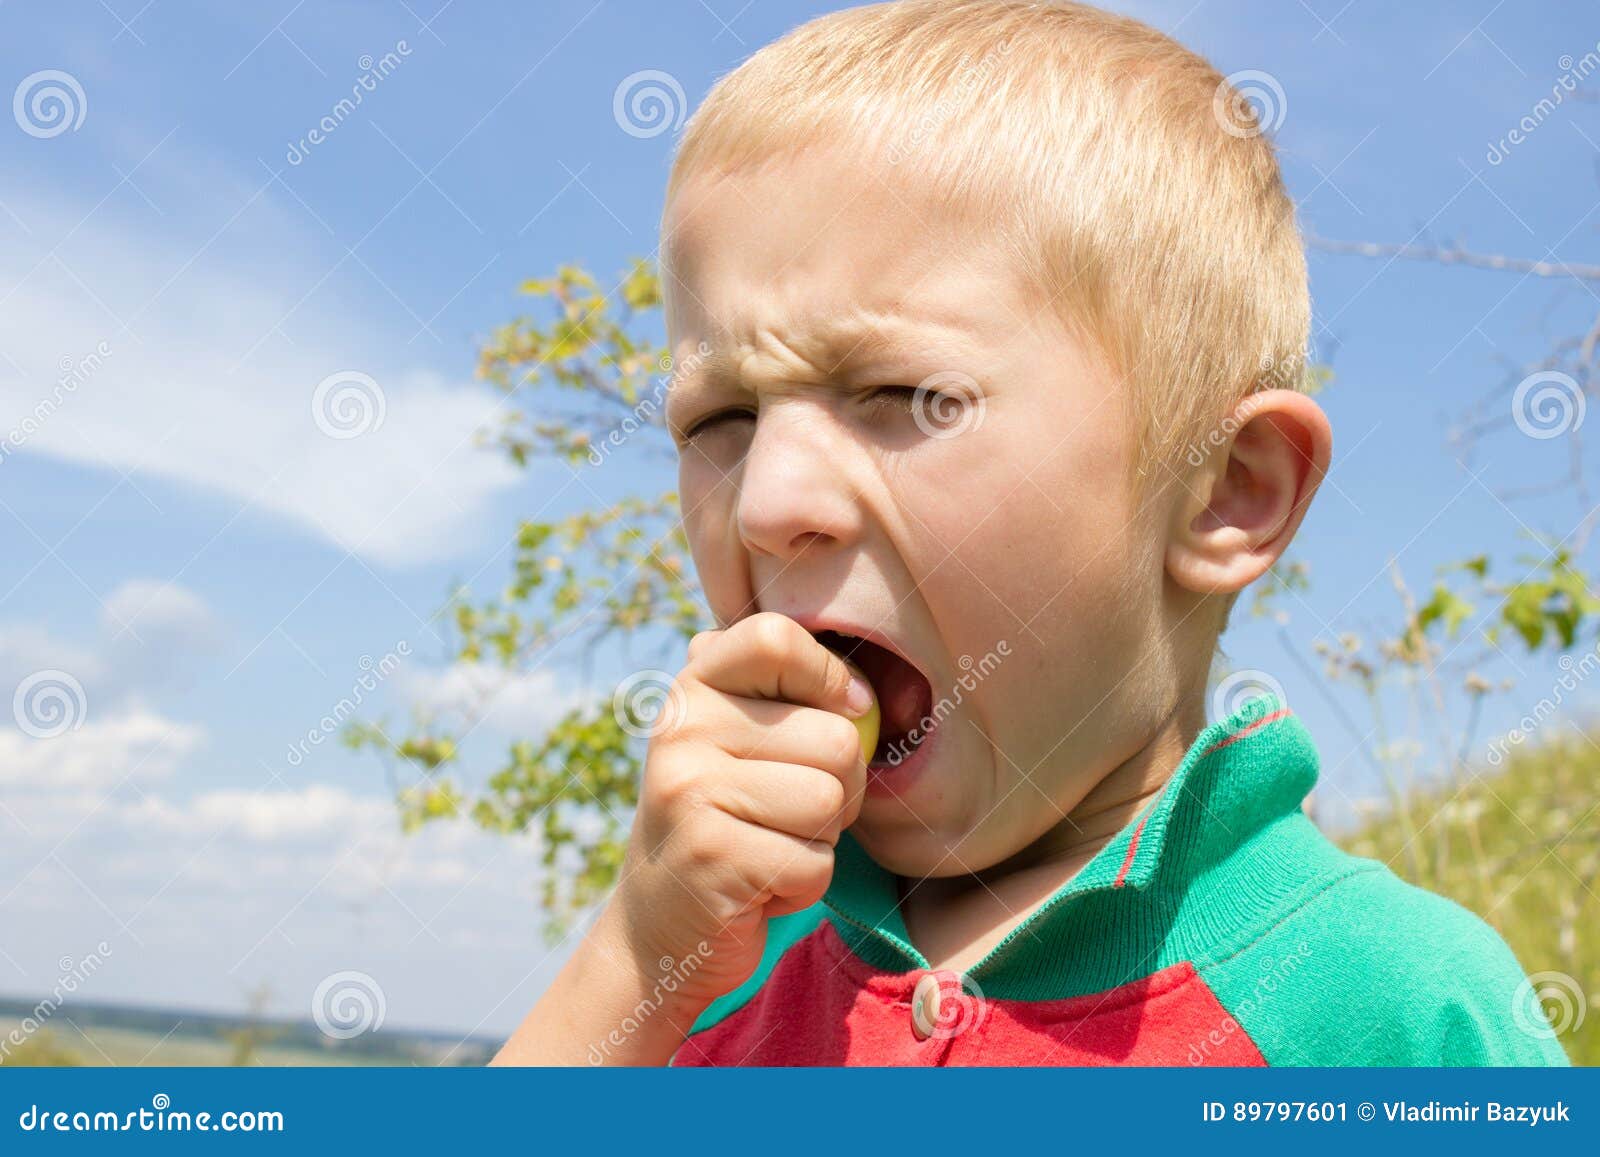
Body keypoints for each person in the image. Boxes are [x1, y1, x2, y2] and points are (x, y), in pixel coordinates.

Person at [493, 0, 1568, 1066]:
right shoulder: (711, 968)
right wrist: (634, 960)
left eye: (903, 393)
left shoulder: (1395, 1011)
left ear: (1225, 491)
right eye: (719, 418)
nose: (769, 501)